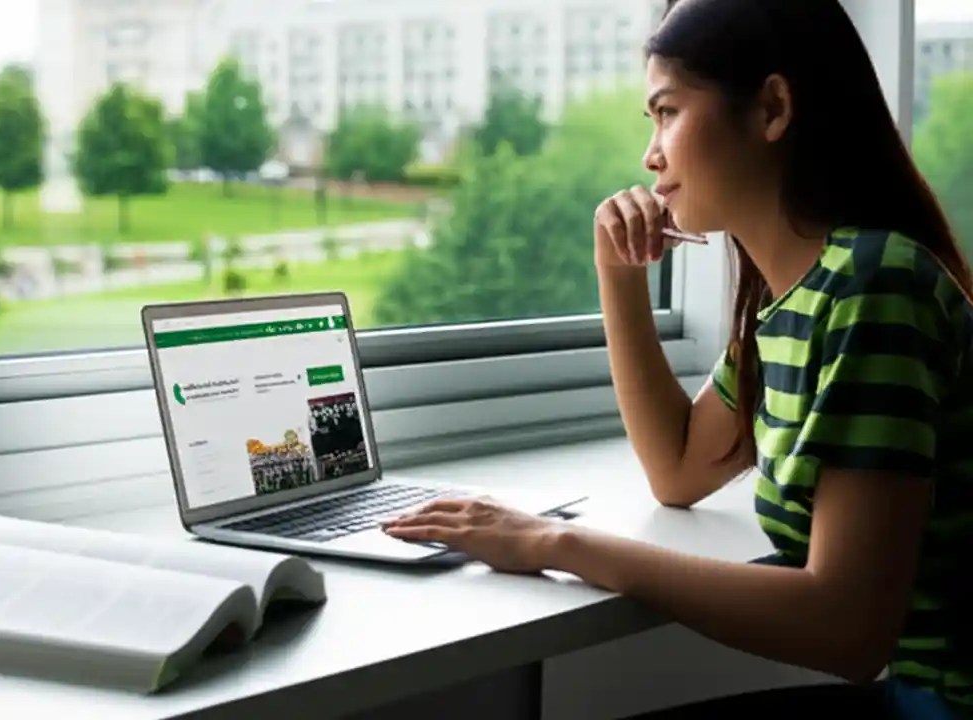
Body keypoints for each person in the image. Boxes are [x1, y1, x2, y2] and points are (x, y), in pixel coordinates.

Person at [383, 1, 972, 717]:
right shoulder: (793, 303)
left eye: (667, 112)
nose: (650, 154)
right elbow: (679, 466)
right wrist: (618, 271)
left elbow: (846, 629)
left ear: (773, 108)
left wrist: (554, 542)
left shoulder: (875, 286)